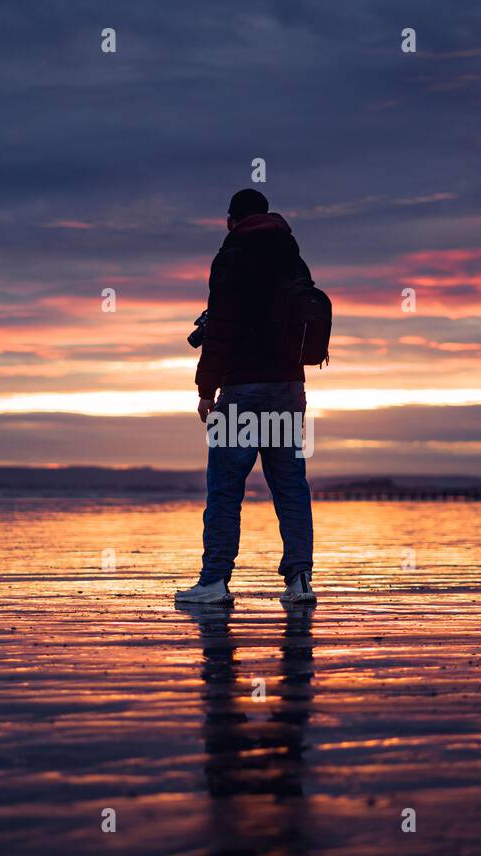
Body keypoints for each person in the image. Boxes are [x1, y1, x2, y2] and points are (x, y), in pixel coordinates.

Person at [175, 188, 316, 605]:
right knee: (290, 486)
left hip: (243, 389)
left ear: (231, 221)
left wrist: (205, 389)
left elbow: (221, 328)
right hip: (289, 387)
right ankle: (299, 582)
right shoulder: (293, 256)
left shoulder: (231, 258)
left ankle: (215, 582)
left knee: (224, 488)